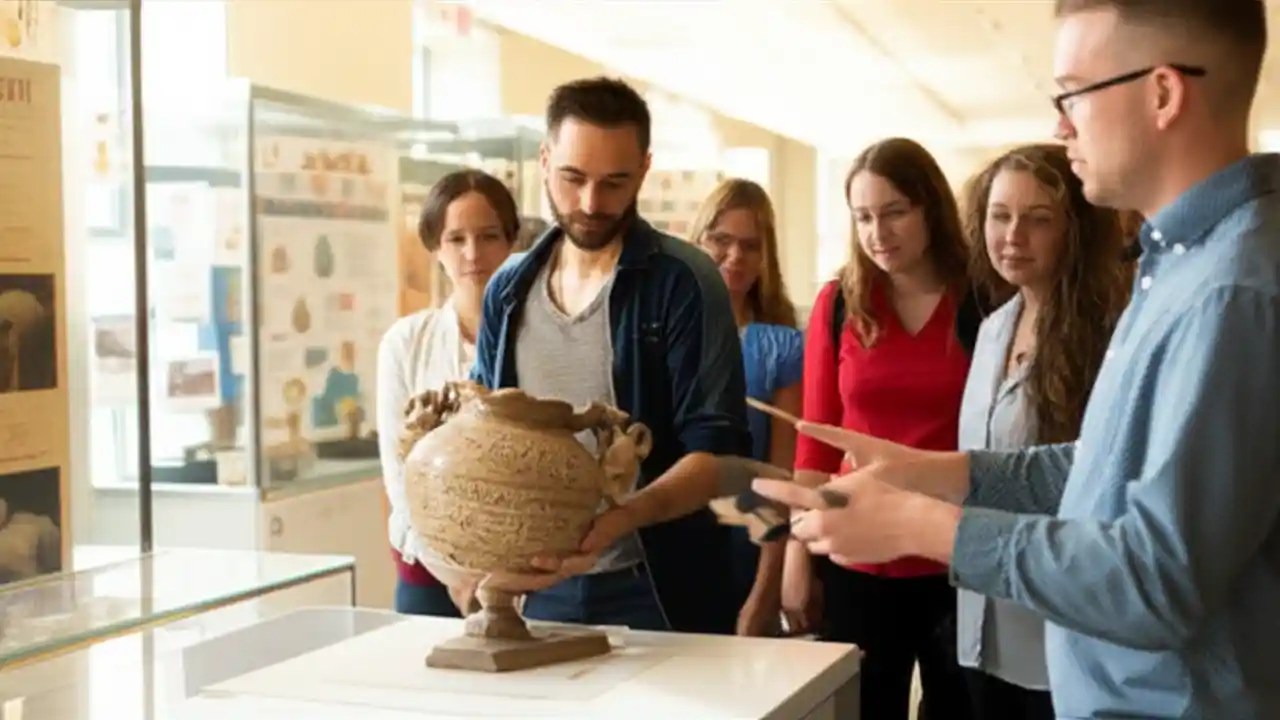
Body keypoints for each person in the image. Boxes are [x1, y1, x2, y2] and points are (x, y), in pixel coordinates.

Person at [754, 1, 1280, 717]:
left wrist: (918, 523)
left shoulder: (1234, 291)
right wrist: (939, 472)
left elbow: (1156, 582)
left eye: (1074, 94)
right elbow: (1102, 465)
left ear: (1163, 93)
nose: (1062, 124)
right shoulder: (1176, 266)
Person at [469, 76, 751, 634]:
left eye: (615, 182)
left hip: (658, 588)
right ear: (545, 160)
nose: (592, 204)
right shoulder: (507, 289)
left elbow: (717, 453)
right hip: (535, 589)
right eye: (573, 179)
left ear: (644, 169)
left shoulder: (685, 282)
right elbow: (485, 432)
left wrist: (623, 519)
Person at [788, 137, 974, 720]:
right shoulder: (840, 302)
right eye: (864, 217)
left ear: (931, 209)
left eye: (895, 212)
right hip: (855, 557)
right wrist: (798, 554)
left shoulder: (982, 301)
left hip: (956, 556)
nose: (878, 232)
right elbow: (815, 436)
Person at [956, 143, 1130, 719]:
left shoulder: (1107, 334)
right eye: (1000, 216)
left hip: (1061, 625)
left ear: (1075, 230)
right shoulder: (993, 327)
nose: (1013, 236)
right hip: (981, 616)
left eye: (1038, 220)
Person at [376, 169, 519, 616]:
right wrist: (454, 574)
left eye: (488, 236)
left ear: (511, 241)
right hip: (428, 569)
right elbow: (398, 470)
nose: (473, 253)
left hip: (523, 569)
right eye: (456, 239)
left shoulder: (542, 339)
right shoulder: (405, 343)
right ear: (435, 247)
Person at [690, 178, 802, 636]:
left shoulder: (782, 348)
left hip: (746, 551)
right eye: (721, 240)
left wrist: (766, 590)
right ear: (698, 241)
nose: (735, 257)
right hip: (664, 548)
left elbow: (783, 483)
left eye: (750, 246)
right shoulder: (661, 337)